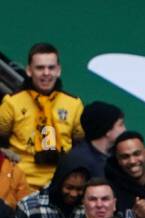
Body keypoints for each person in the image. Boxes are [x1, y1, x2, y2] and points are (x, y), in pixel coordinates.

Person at [0, 43, 85, 189]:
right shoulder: (12, 102)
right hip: (20, 185)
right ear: (29, 70)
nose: (46, 73)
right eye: (40, 68)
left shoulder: (74, 104)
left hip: (61, 187)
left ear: (58, 70)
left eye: (51, 68)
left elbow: (81, 145)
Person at [63, 102, 124, 180]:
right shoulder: (79, 162)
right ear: (108, 130)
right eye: (121, 125)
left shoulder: (117, 154)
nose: (124, 129)